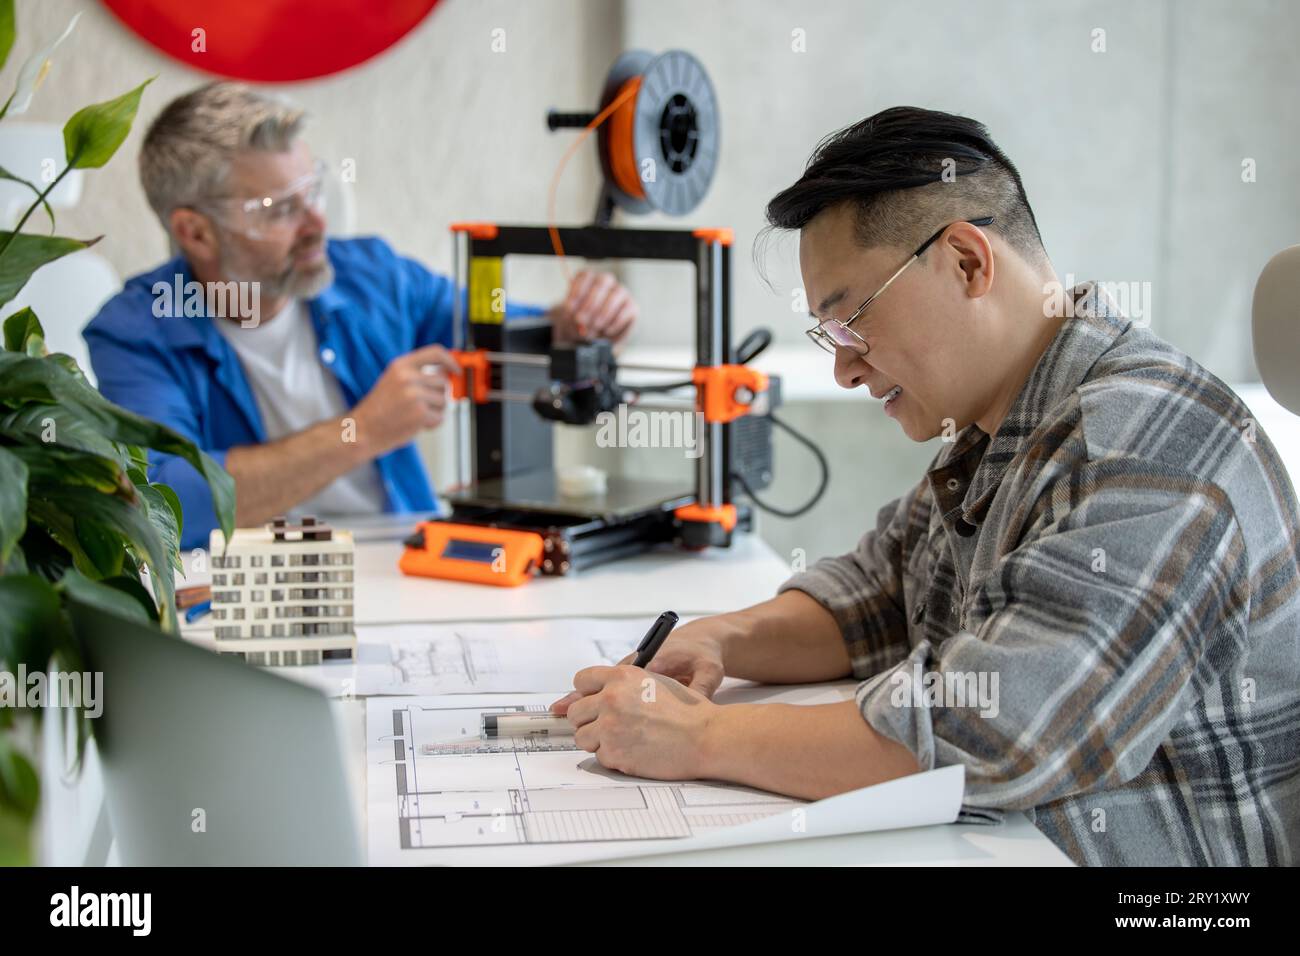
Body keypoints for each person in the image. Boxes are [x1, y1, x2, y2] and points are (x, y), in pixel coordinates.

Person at [550, 106, 1300, 866]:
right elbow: (880, 591)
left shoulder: (1147, 443)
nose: (844, 369)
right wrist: (720, 638)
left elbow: (1004, 730)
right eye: (829, 337)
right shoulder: (994, 423)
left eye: (852, 321)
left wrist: (701, 738)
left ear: (968, 262)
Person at [84, 83, 638, 549]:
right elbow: (169, 502)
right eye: (281, 209)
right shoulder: (135, 332)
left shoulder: (373, 275)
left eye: (313, 191)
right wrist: (362, 431)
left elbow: (506, 332)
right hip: (248, 593)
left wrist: (576, 320)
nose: (317, 223)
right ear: (195, 232)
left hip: (407, 562)